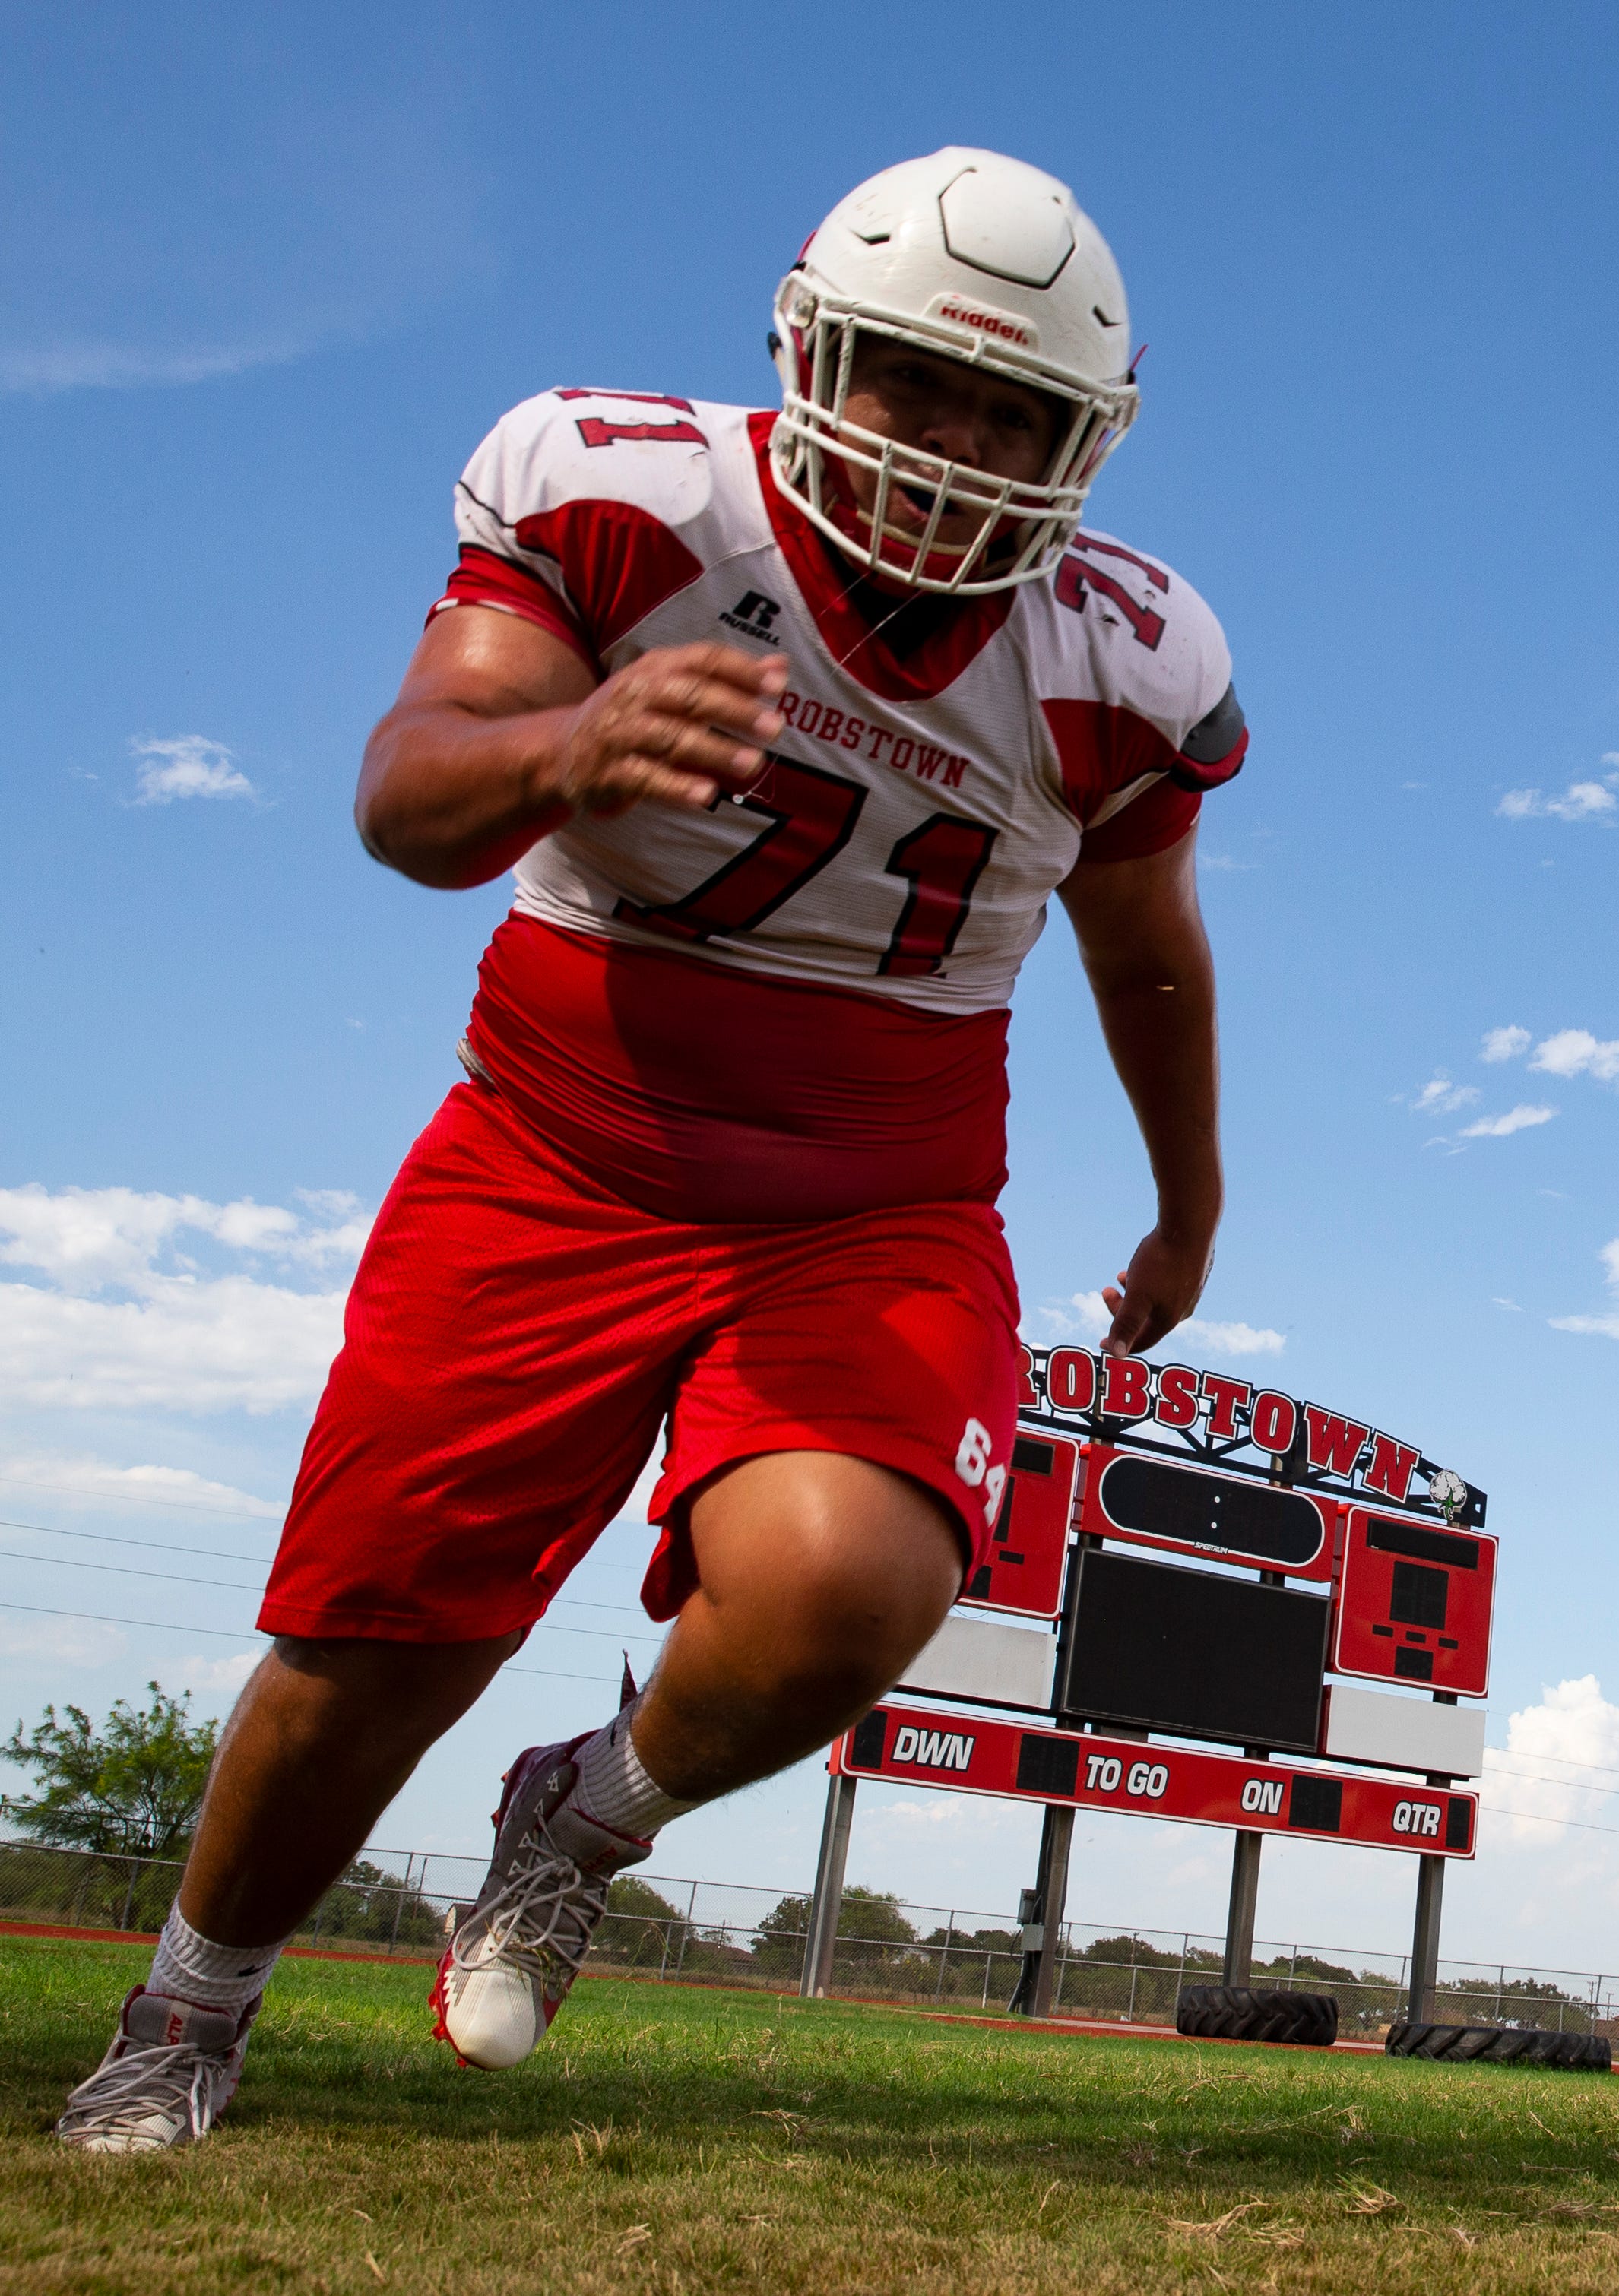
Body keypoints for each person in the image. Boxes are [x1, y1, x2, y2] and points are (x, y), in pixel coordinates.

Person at [59, 149, 1243, 2152]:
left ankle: (576, 1818)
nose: (958, 449)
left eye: (1010, 413)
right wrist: (561, 751)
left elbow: (1149, 956)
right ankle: (187, 2010)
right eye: (914, 388)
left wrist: (1186, 1205)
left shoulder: (1123, 657)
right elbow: (407, 794)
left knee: (842, 1588)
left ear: (1082, 440)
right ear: (812, 356)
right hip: (557, 1151)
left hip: (875, 1195)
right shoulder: (628, 496)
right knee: (375, 1638)